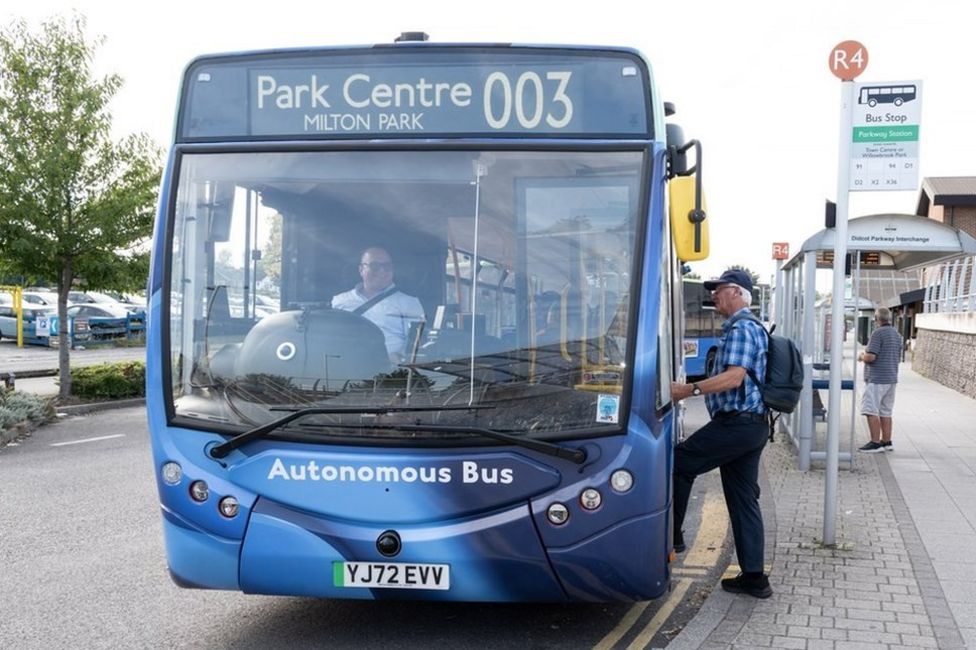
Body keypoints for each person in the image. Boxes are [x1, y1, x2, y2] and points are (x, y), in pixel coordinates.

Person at [670, 268, 773, 599]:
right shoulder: (744, 328)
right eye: (713, 290)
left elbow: (733, 378)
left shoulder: (742, 328)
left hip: (738, 424)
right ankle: (755, 579)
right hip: (751, 425)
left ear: (739, 294)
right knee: (743, 500)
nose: (713, 295)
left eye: (721, 289)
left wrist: (689, 390)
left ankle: (671, 538)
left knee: (681, 462)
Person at [331, 247, 425, 362]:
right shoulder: (339, 301)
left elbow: (417, 348)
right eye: (375, 266)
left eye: (387, 266)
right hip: (343, 370)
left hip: (389, 373)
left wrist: (397, 358)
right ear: (361, 270)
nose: (382, 271)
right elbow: (331, 340)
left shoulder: (409, 303)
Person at [857, 307, 903, 453]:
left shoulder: (878, 333)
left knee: (870, 410)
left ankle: (875, 442)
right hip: (891, 378)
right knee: (886, 411)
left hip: (877, 379)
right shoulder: (897, 334)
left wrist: (861, 356)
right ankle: (887, 441)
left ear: (877, 319)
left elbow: (871, 357)